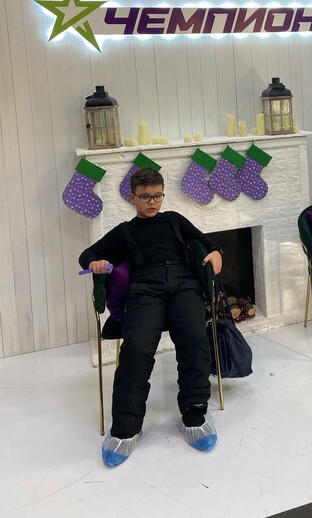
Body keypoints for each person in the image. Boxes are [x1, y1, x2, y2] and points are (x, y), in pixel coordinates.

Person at [79, 167, 223, 467]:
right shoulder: (125, 231)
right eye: (146, 197)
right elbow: (87, 254)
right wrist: (95, 263)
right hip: (146, 287)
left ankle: (195, 413)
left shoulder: (174, 220)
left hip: (183, 282)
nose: (153, 202)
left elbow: (204, 241)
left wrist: (215, 252)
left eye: (158, 195)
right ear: (132, 197)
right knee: (136, 348)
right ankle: (126, 427)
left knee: (194, 338)